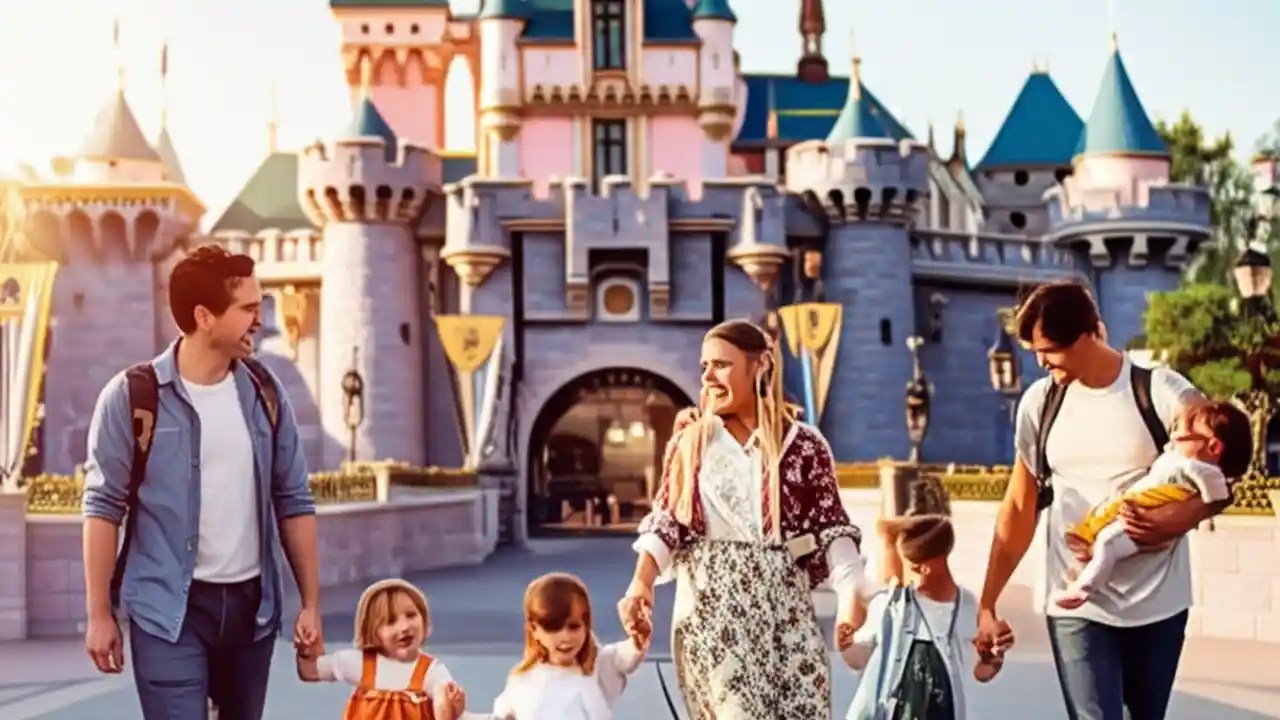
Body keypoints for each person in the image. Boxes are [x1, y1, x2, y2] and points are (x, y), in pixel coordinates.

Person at [81, 244, 321, 719]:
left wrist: (311, 603)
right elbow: (103, 508)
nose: (259, 319)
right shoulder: (133, 397)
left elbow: (293, 499)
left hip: (251, 613)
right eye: (247, 308)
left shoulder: (265, 394)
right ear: (204, 317)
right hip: (167, 611)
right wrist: (98, 614)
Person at [976, 280, 1227, 720]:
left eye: (1049, 350)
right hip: (1074, 602)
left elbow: (1222, 470)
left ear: (1088, 334)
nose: (1040, 362)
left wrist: (1178, 518)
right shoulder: (1040, 403)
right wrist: (987, 603)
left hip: (1158, 601)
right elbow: (1018, 505)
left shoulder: (1159, 390)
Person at [618, 319, 871, 720]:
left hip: (789, 614)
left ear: (760, 365)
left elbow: (831, 526)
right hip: (713, 613)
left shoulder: (805, 445)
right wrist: (641, 583)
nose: (708, 377)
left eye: (721, 365)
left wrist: (852, 591)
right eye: (704, 366)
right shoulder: (691, 442)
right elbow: (667, 520)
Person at [1054, 401, 1250, 609]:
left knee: (1107, 543)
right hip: (1131, 503)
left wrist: (1180, 516)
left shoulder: (1203, 470)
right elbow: (1182, 420)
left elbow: (1219, 497)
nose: (1181, 433)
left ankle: (1085, 589)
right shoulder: (1177, 455)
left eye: (1190, 430)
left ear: (1213, 447)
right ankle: (1082, 571)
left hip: (1142, 519)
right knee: (1098, 527)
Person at [842, 514, 1010, 720]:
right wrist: (849, 632)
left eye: (910, 566)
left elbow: (981, 671)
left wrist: (993, 659)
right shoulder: (894, 606)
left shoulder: (965, 606)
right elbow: (858, 655)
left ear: (924, 568)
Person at [462, 572, 649, 719]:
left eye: (574, 627)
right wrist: (460, 715)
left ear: (586, 626)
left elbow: (624, 658)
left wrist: (638, 636)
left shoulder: (597, 666)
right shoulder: (522, 680)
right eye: (552, 628)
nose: (565, 637)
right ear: (534, 630)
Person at [297, 578, 466, 720]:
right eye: (390, 622)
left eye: (411, 615)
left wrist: (452, 708)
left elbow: (442, 704)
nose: (404, 627)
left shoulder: (431, 671)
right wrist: (306, 649)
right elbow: (310, 671)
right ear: (372, 632)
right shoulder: (360, 663)